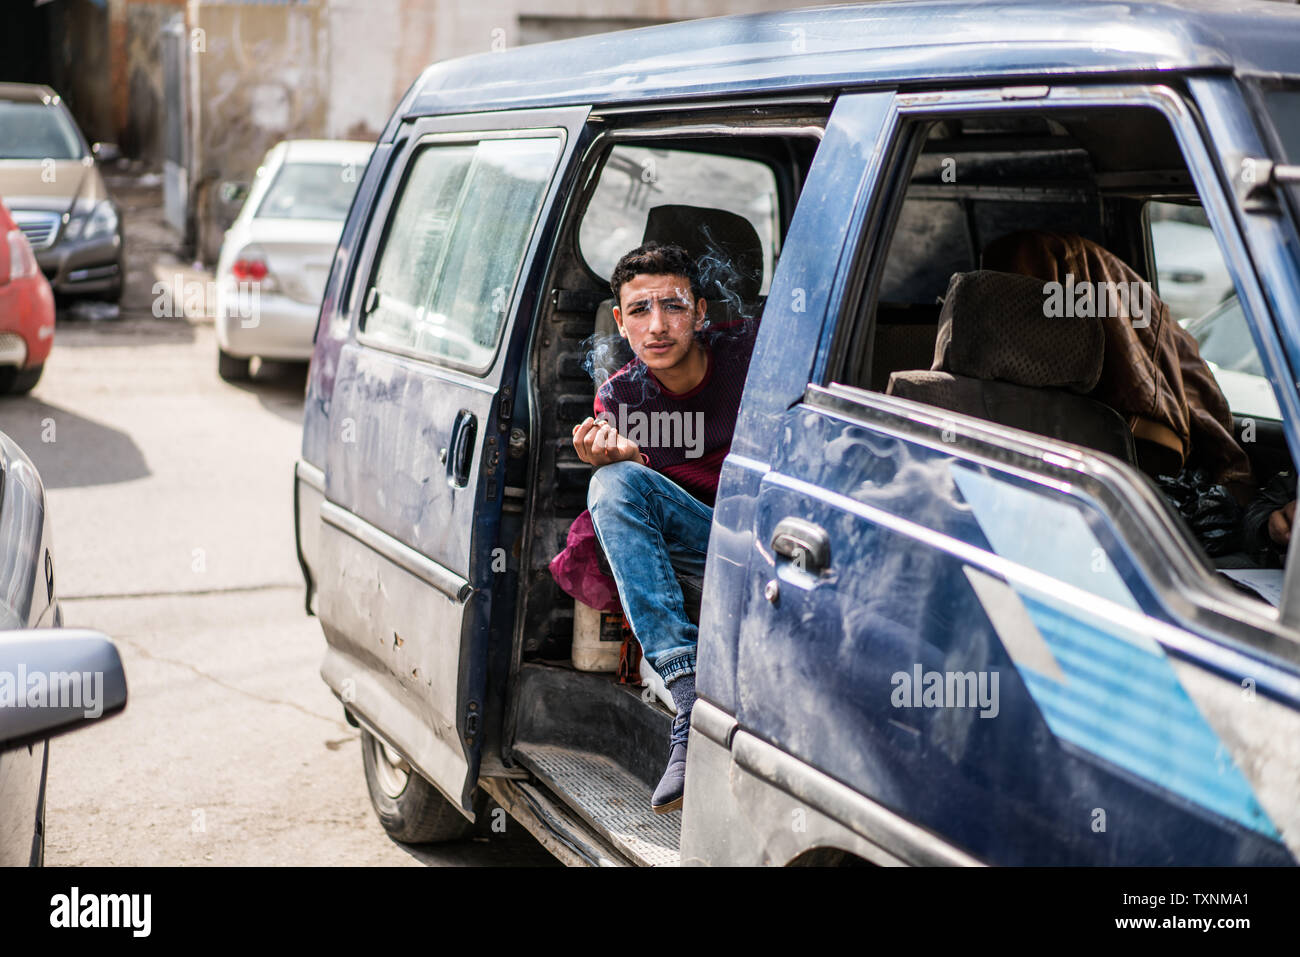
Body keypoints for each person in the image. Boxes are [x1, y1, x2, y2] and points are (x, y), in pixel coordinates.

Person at [572, 241, 759, 813]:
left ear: (701, 313)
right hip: (699, 537)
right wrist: (628, 456)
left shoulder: (751, 355)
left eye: (673, 307)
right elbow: (641, 498)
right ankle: (685, 694)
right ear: (621, 323)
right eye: (639, 311)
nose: (658, 326)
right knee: (611, 483)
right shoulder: (620, 395)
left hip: (766, 532)